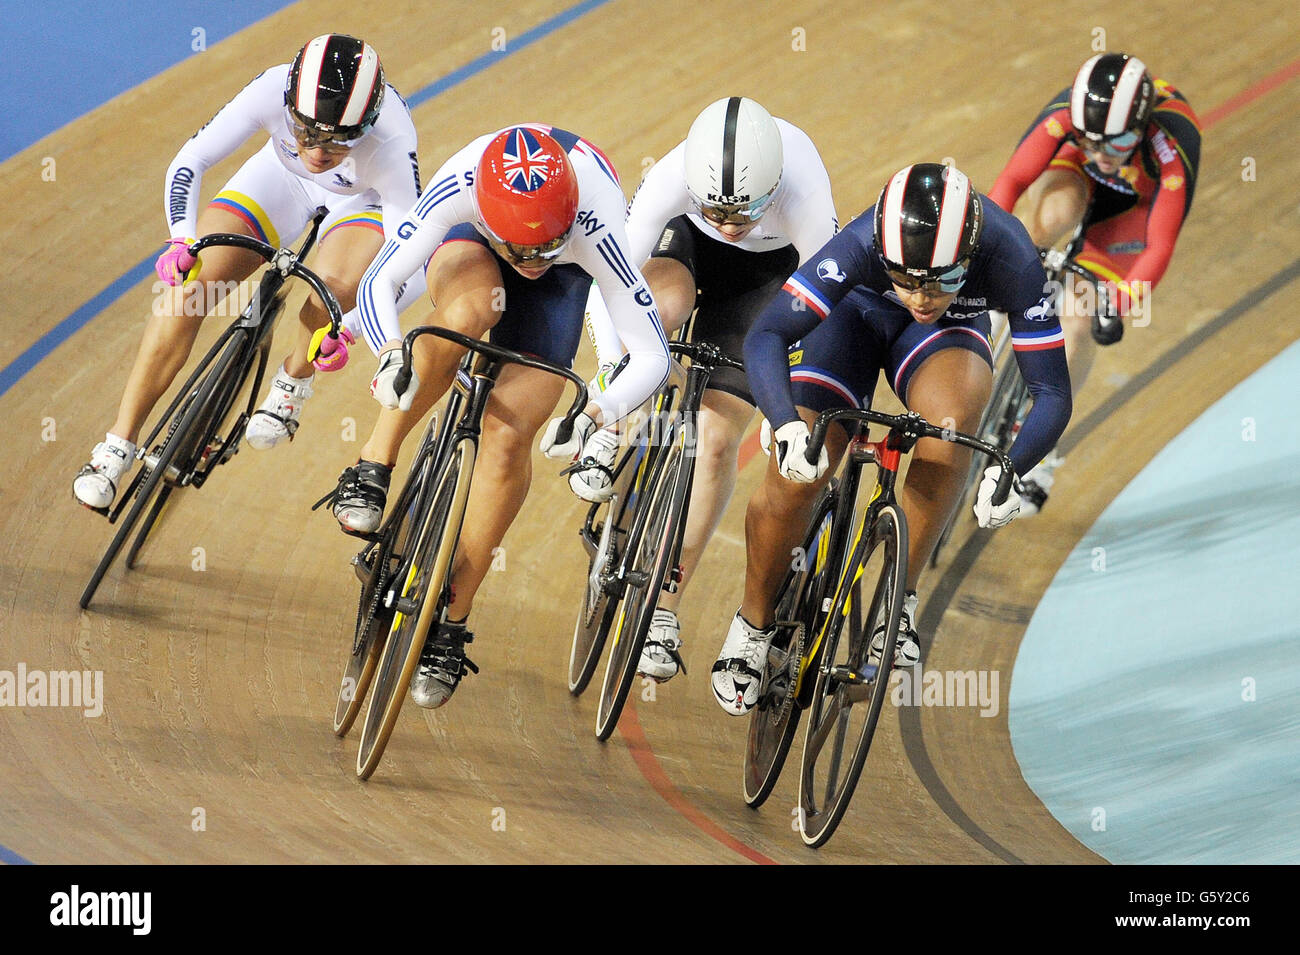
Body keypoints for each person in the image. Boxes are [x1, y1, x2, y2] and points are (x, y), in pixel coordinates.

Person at [331, 124, 669, 709]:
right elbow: (380, 281)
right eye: (523, 251)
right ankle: (372, 466)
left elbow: (652, 354)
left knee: (510, 431)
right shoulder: (461, 184)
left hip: (569, 277)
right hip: (476, 245)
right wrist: (389, 356)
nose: (532, 261)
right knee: (464, 313)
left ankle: (452, 620)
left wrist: (597, 410)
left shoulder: (594, 221)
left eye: (545, 246)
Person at [715, 162, 1072, 715]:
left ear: (971, 256)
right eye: (905, 280)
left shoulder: (1012, 256)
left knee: (951, 429)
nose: (920, 297)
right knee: (795, 470)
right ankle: (753, 626)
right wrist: (784, 421)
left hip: (945, 336)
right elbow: (769, 333)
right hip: (852, 318)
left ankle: (896, 599)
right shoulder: (862, 241)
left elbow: (1050, 390)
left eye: (938, 282)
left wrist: (1009, 467)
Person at [73, 34, 422, 511]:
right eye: (304, 131)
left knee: (331, 296)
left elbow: (409, 259)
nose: (318, 152)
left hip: (361, 201)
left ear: (366, 126)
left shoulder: (393, 144)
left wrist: (354, 326)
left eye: (338, 140)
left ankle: (292, 382)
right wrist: (182, 239)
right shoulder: (271, 86)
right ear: (289, 103)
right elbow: (190, 159)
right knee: (186, 293)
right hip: (279, 179)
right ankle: (118, 442)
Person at [573, 96, 838, 684]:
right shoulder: (671, 179)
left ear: (774, 191)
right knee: (658, 311)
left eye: (742, 214)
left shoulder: (807, 195)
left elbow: (822, 312)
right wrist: (612, 379)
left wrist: (784, 409)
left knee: (715, 442)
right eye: (716, 209)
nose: (727, 224)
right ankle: (618, 431)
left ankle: (662, 609)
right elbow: (608, 282)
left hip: (767, 278)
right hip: (682, 250)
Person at [988, 51, 1201, 514]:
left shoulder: (1173, 140)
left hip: (1132, 208)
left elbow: (1159, 245)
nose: (1102, 153)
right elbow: (1013, 180)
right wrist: (990, 254)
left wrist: (1119, 304)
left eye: (1116, 142)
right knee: (1047, 220)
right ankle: (995, 318)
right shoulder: (1069, 114)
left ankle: (1036, 443)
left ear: (1142, 126)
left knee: (1080, 320)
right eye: (1091, 140)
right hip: (1075, 175)